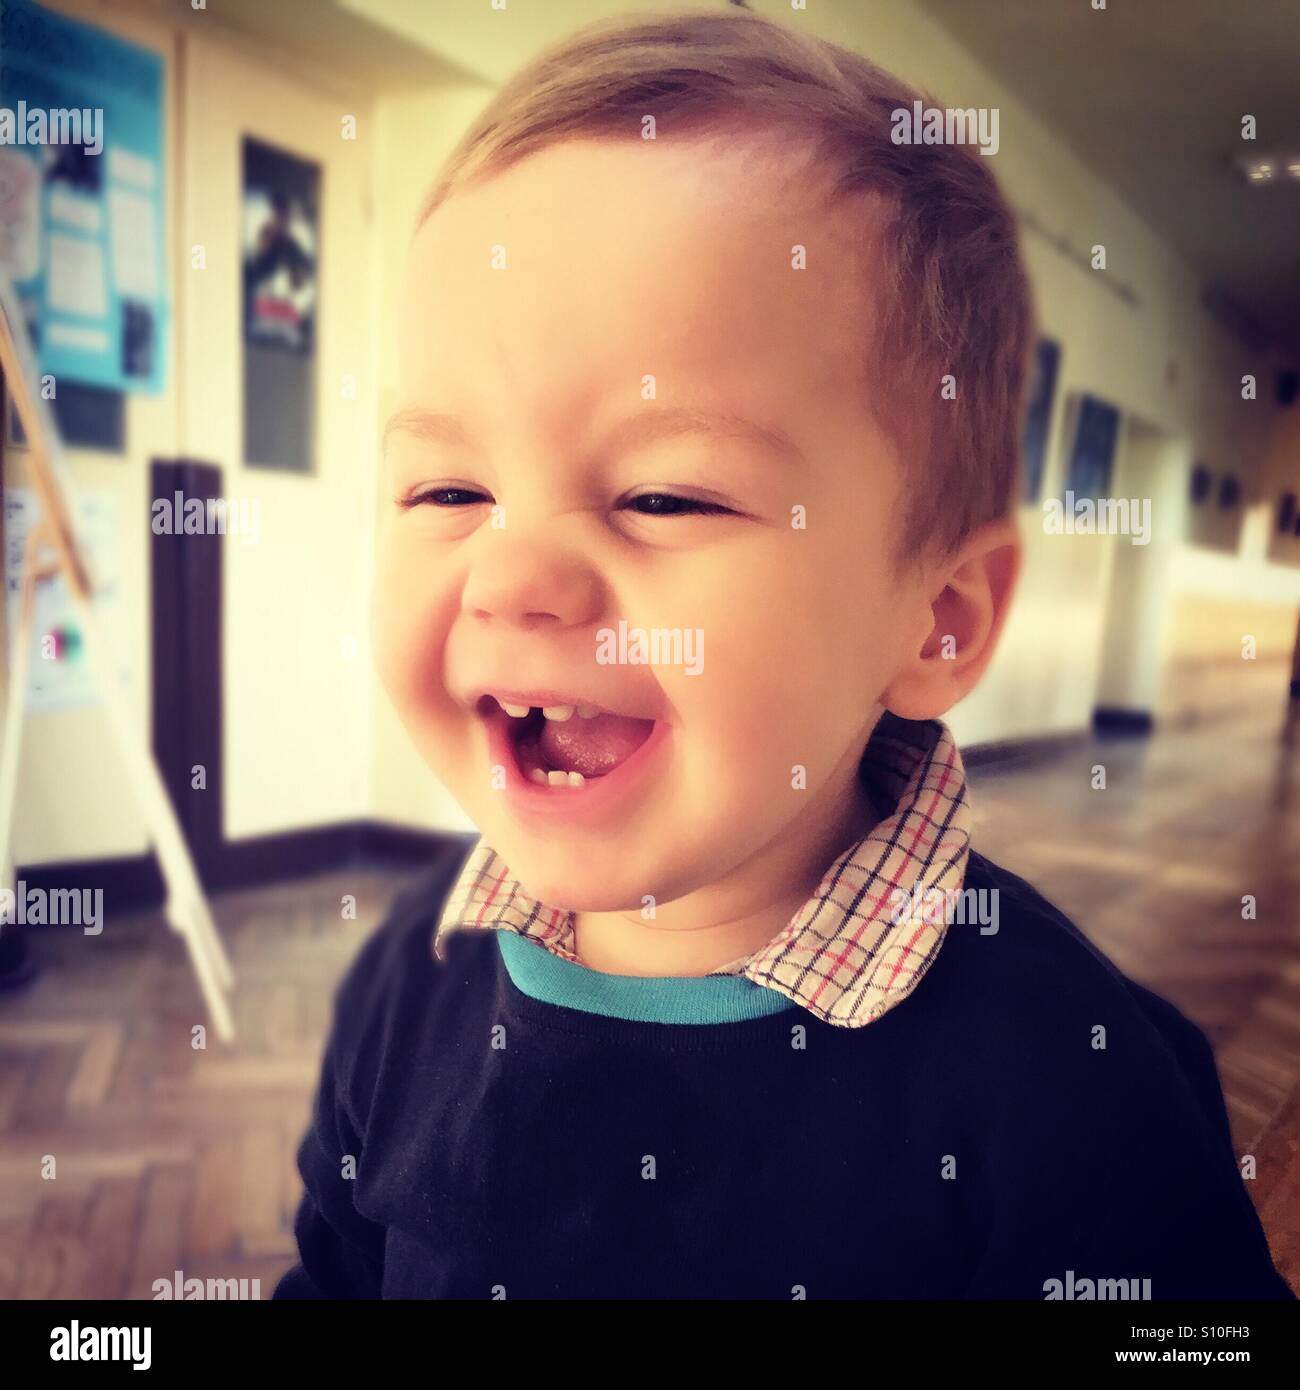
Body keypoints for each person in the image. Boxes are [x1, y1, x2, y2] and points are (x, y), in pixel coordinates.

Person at [274, 9, 1293, 1300]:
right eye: (445, 488)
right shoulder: (410, 977)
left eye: (667, 495)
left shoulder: (1076, 1090)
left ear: (940, 621)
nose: (512, 574)